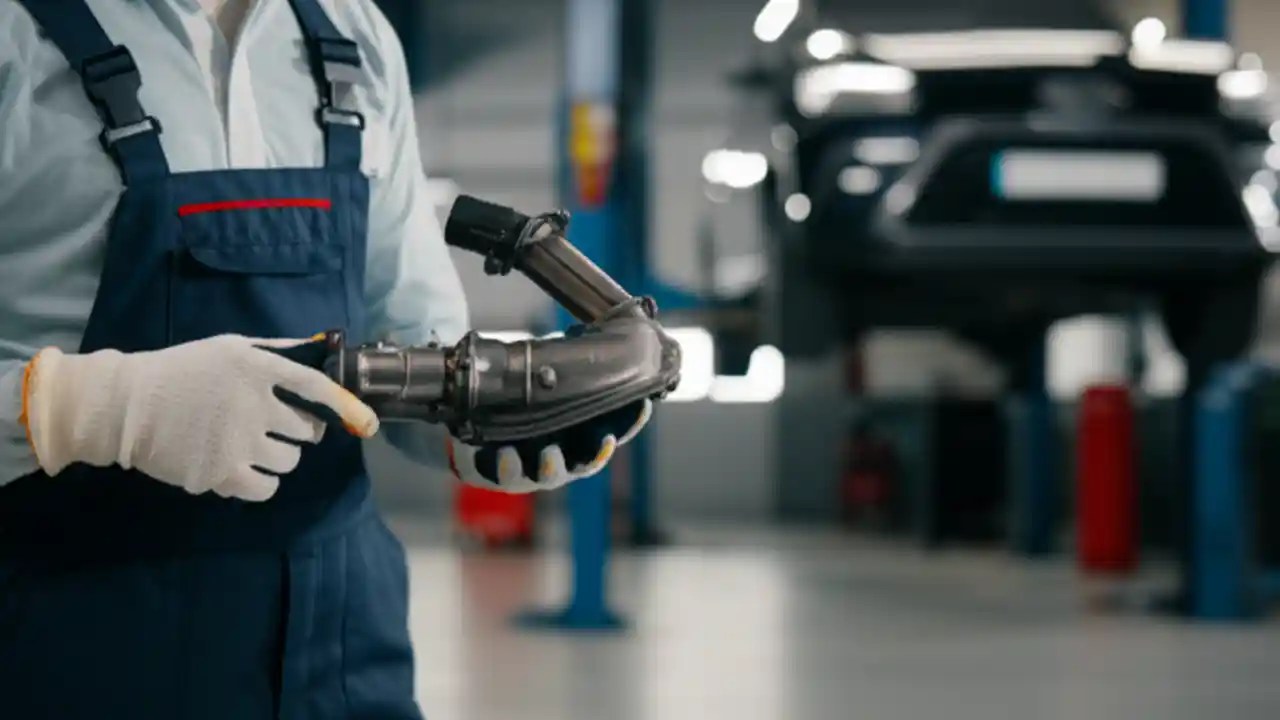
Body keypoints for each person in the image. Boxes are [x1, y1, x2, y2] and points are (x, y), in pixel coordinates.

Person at [0, 1, 650, 717]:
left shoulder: (355, 34)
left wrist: (481, 432)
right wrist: (83, 410)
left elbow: (409, 333)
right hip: (67, 641)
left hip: (339, 642)